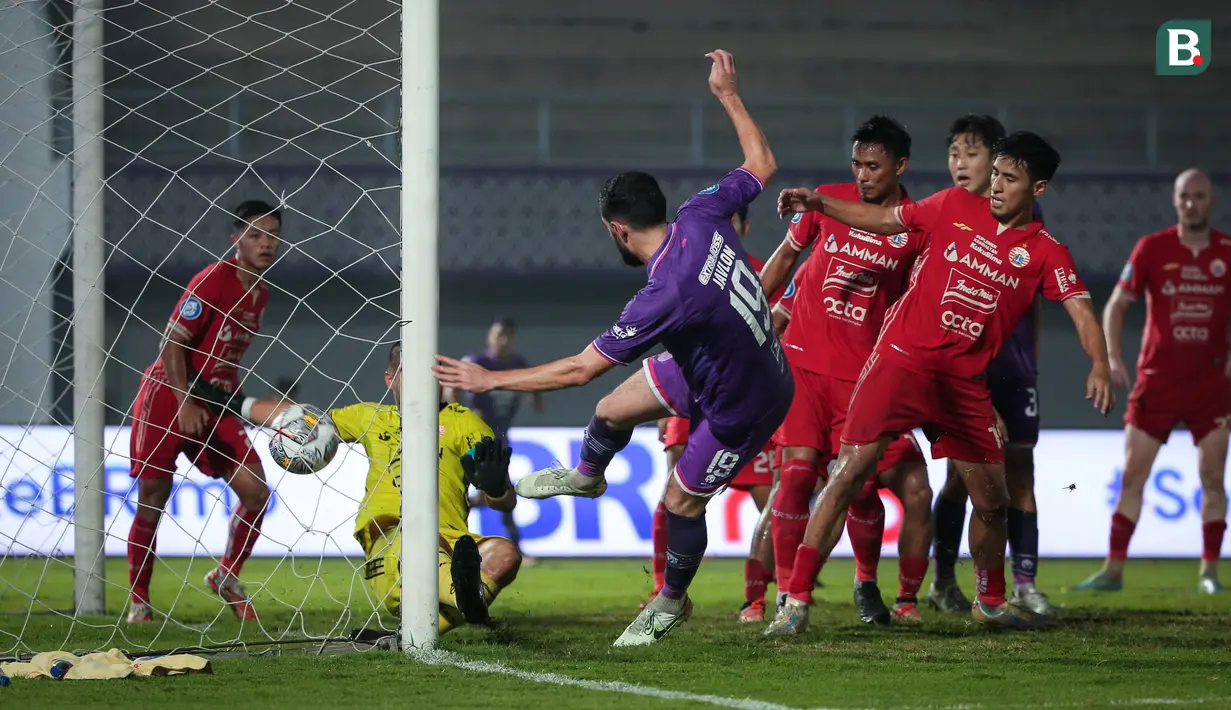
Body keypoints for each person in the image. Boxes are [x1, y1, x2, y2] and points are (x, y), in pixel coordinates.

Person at [434, 49, 793, 646]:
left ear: (617, 230)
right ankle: (587, 476)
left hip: (747, 401)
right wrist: (727, 92)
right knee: (610, 412)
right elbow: (762, 161)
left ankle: (671, 602)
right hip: (712, 365)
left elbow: (579, 369)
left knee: (680, 502)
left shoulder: (664, 292)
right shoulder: (700, 213)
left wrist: (488, 380)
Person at [766, 131, 1114, 635]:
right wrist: (822, 202)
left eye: (1009, 179)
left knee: (992, 502)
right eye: (995, 174)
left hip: (963, 385)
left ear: (1036, 189)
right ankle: (794, 603)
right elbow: (884, 221)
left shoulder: (1044, 252)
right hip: (899, 365)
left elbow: (1081, 310)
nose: (995, 186)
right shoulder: (952, 205)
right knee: (847, 474)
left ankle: (990, 602)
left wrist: (1099, 365)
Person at [195, 344, 523, 632]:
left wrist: (495, 487)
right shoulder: (370, 416)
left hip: (454, 544)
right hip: (393, 540)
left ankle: (450, 610)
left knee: (507, 555)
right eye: (409, 372)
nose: (423, 381)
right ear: (390, 379)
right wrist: (231, 401)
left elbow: (505, 503)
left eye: (430, 373)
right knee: (419, 538)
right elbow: (302, 419)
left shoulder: (465, 421)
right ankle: (465, 594)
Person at [757, 116, 934, 625]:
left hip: (864, 380)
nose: (862, 175)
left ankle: (875, 587)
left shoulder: (915, 226)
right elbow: (784, 260)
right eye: (856, 163)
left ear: (899, 166)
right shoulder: (825, 200)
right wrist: (748, 313)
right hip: (804, 368)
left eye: (873, 166)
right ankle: (790, 602)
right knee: (793, 481)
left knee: (859, 489)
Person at [126, 200, 280, 624]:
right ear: (236, 240)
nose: (265, 243)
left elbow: (224, 358)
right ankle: (139, 600)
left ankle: (226, 577)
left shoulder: (261, 294)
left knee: (255, 493)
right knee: (153, 498)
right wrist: (183, 401)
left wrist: (242, 404)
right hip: (168, 397)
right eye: (255, 235)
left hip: (216, 402)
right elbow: (172, 345)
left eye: (272, 235)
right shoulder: (212, 280)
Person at [1076, 168, 1228, 594]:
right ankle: (1112, 570)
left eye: (1200, 196)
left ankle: (1209, 573)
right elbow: (1116, 305)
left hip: (1211, 386)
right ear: (1175, 200)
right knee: (1132, 477)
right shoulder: (1153, 248)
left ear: (1211, 200)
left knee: (1213, 478)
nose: (1192, 203)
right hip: (1156, 382)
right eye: (1185, 196)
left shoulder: (1228, 253)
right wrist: (1111, 357)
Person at [927, 115, 1056, 615]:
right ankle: (942, 582)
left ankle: (1024, 584)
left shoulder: (1027, 211)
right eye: (954, 152)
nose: (961, 162)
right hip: (961, 370)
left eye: (972, 153)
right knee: (962, 479)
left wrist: (1032, 358)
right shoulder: (949, 213)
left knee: (1021, 474)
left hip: (1013, 369)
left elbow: (1035, 290)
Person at [649, 204, 784, 623]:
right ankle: (663, 592)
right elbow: (665, 331)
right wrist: (662, 402)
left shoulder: (764, 273)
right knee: (671, 499)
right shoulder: (682, 263)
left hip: (744, 403)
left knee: (775, 503)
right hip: (691, 401)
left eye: (732, 223)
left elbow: (781, 333)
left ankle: (761, 596)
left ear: (744, 226)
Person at [446, 317, 544, 565]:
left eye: (509, 335)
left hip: (499, 440)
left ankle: (453, 542)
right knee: (494, 491)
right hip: (473, 439)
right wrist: (456, 413)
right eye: (499, 334)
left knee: (489, 494)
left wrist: (536, 397)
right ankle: (452, 545)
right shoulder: (478, 362)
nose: (504, 340)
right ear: (490, 336)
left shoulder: (517, 364)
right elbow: (451, 385)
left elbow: (535, 382)